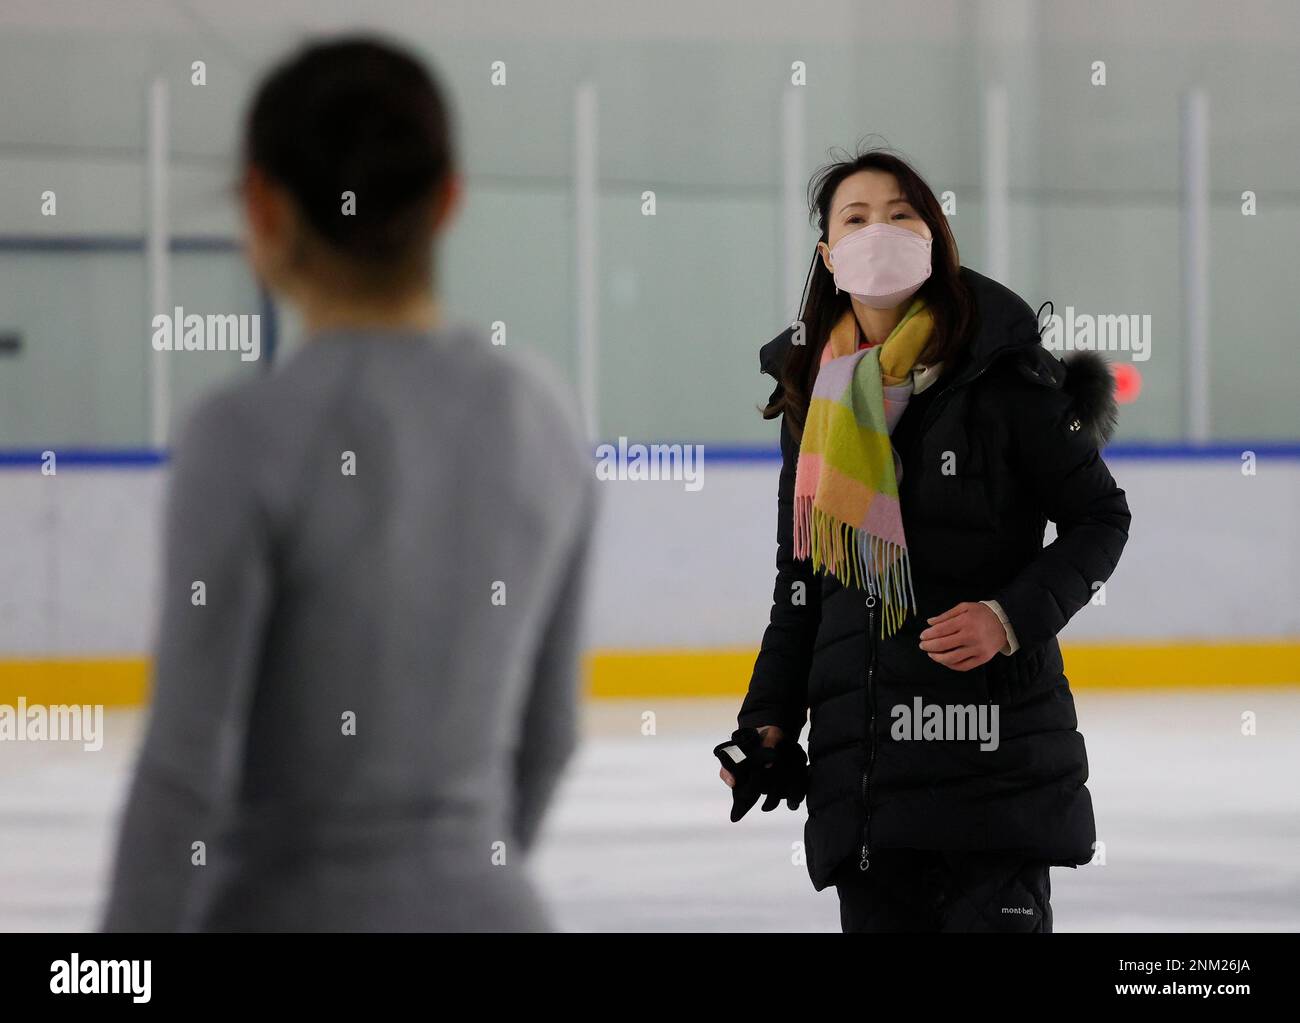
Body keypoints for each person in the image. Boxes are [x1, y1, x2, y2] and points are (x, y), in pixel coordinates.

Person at [101, 38, 596, 931]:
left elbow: (185, 768)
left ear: (263, 205)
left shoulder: (242, 434)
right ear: (449, 200)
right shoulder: (545, 416)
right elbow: (551, 734)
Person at [716, 147, 1130, 933]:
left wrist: (1008, 617)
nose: (882, 230)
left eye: (903, 215)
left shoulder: (1007, 377)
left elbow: (1100, 516)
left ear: (934, 240)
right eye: (857, 217)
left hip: (995, 775)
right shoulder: (813, 400)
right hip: (869, 788)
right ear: (828, 254)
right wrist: (767, 721)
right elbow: (802, 581)